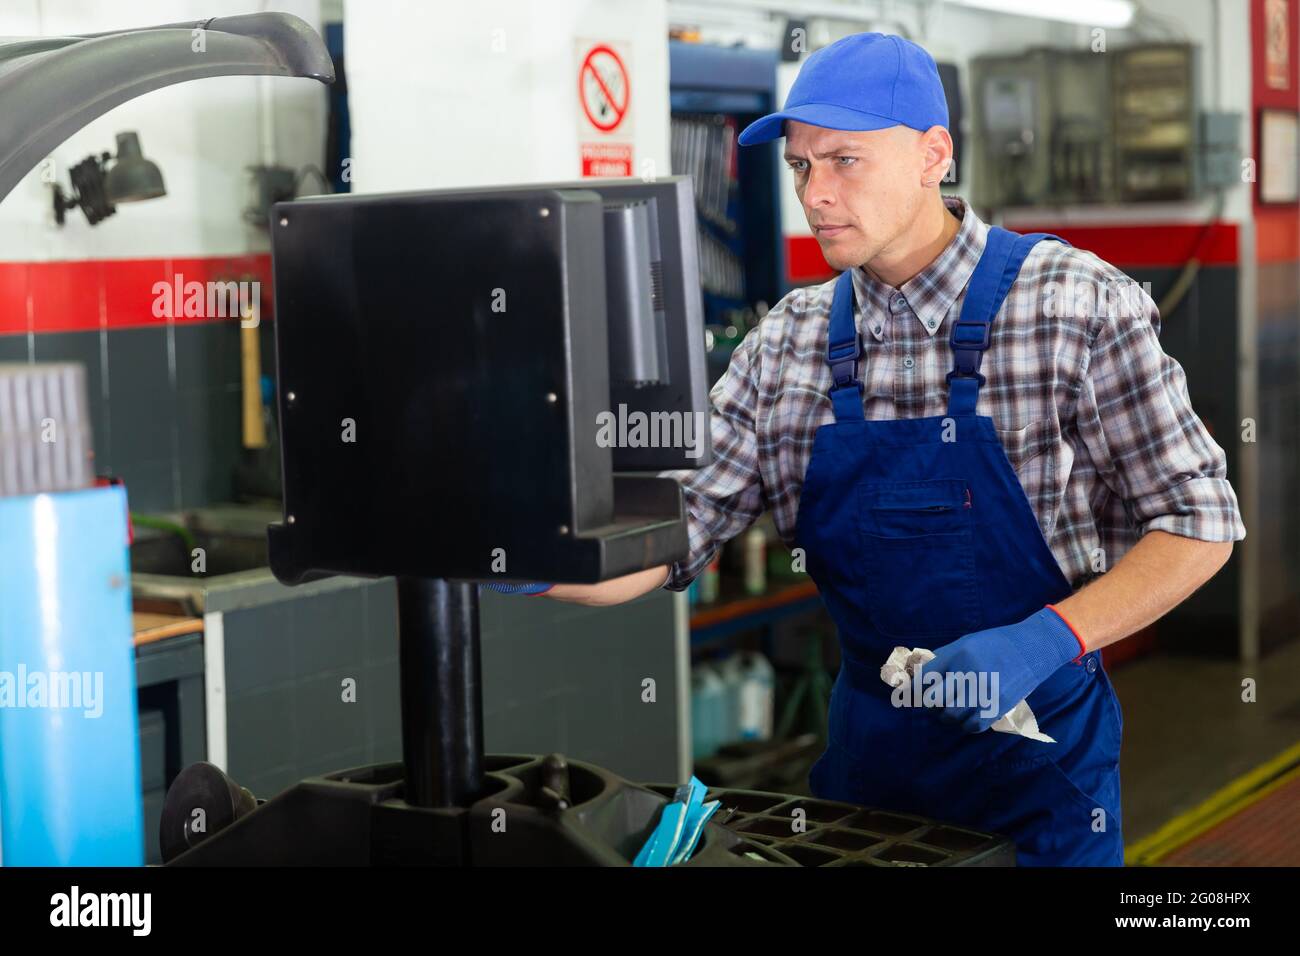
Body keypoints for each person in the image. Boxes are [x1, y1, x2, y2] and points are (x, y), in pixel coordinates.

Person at [501, 32, 1245, 866]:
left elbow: (1199, 524)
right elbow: (678, 525)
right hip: (869, 791)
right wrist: (517, 554)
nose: (815, 194)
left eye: (845, 161)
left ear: (934, 156)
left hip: (1041, 786)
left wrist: (1046, 640)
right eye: (801, 167)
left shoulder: (1077, 306)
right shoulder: (789, 342)